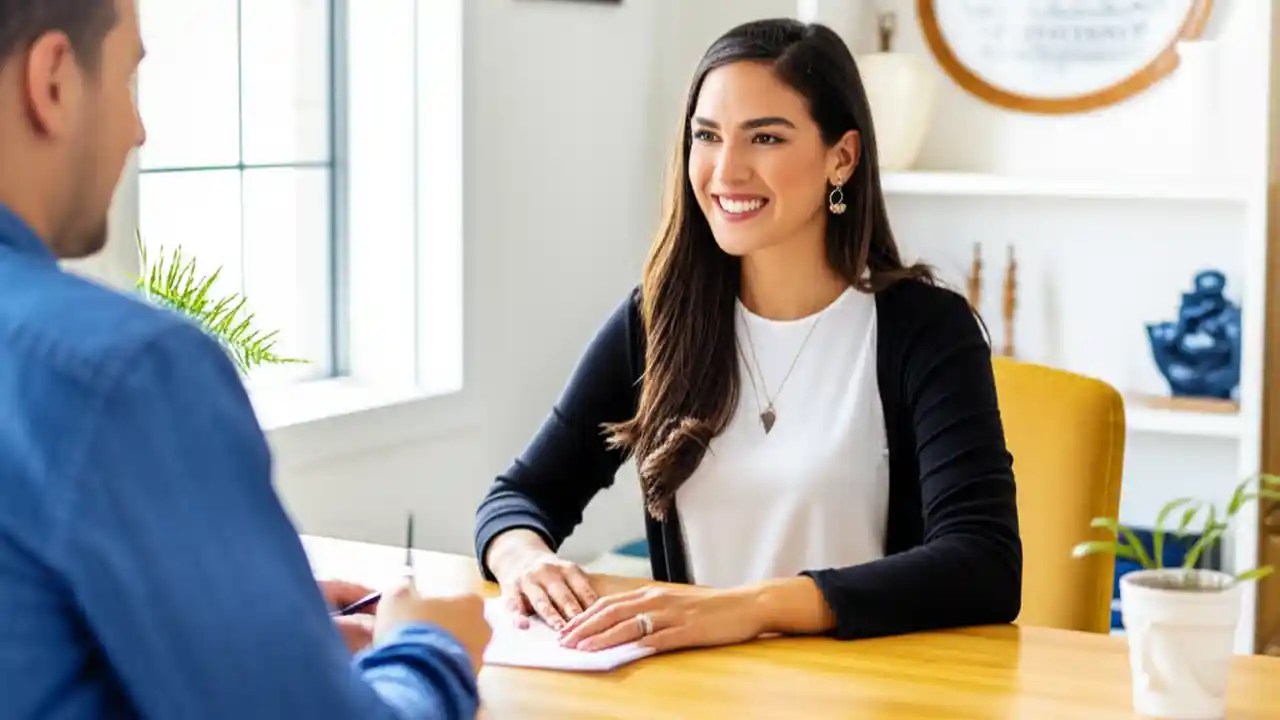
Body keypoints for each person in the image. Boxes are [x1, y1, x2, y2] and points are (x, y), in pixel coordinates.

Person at [0, 1, 490, 718]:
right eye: (128, 80)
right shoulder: (122, 373)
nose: (138, 130)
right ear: (52, 81)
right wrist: (431, 648)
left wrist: (254, 627)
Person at [475, 18, 1022, 653]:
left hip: (870, 683)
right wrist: (524, 560)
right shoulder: (661, 320)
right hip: (696, 684)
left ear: (842, 158)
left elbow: (984, 561)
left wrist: (751, 608)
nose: (726, 170)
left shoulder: (926, 330)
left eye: (765, 137)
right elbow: (519, 498)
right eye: (707, 136)